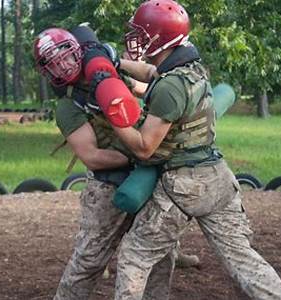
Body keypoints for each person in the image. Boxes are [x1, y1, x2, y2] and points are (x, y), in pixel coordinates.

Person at [104, 1, 281, 299]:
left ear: (158, 38)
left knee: (134, 256)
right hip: (217, 178)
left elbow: (143, 148)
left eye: (141, 33)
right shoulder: (191, 69)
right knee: (244, 262)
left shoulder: (170, 87)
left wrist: (112, 115)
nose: (135, 39)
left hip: (184, 186)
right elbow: (151, 74)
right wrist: (115, 63)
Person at [32, 25, 196, 300]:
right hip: (108, 185)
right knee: (90, 259)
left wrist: (166, 94)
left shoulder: (107, 72)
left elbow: (148, 82)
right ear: (47, 72)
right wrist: (142, 153)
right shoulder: (68, 106)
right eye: (54, 65)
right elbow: (92, 156)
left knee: (159, 251)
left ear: (77, 52)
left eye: (66, 57)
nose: (64, 66)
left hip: (144, 172)